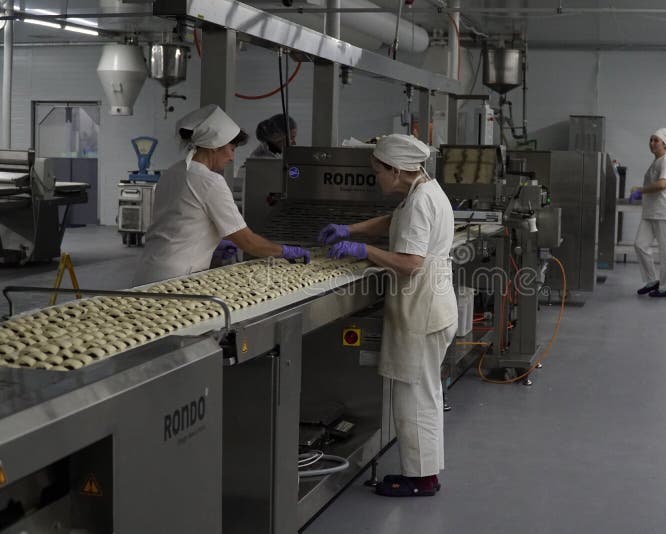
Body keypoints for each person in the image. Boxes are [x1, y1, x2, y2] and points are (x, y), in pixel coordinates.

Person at [318, 134, 457, 497]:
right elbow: (390, 221)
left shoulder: (420, 203)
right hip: (433, 303)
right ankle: (425, 472)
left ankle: (421, 480)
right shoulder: (425, 190)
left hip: (421, 307)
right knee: (424, 392)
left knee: (413, 395)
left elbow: (411, 264)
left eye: (377, 171)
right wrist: (349, 230)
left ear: (396, 171)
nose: (374, 176)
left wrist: (362, 250)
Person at [131, 105, 310, 286]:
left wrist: (213, 243)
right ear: (215, 147)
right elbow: (248, 242)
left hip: (147, 273)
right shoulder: (210, 181)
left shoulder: (173, 172)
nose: (232, 157)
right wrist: (285, 251)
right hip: (177, 279)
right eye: (231, 149)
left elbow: (181, 222)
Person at [633, 127, 666, 298]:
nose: (652, 143)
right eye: (651, 140)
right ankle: (652, 280)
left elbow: (662, 184)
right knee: (640, 244)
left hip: (665, 212)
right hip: (651, 212)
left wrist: (641, 190)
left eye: (656, 140)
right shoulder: (656, 162)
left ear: (664, 144)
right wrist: (641, 194)